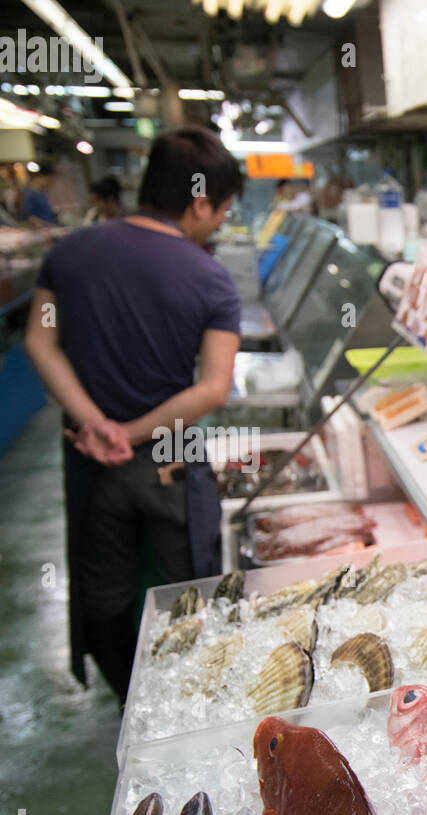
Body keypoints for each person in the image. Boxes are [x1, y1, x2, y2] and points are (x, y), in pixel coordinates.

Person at [25, 127, 243, 704]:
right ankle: (181, 704)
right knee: (187, 592)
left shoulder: (66, 254)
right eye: (221, 210)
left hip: (91, 462)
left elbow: (40, 343)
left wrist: (96, 423)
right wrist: (133, 432)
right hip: (169, 463)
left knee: (105, 595)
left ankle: (128, 700)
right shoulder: (210, 278)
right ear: (199, 203)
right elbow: (214, 388)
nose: (220, 222)